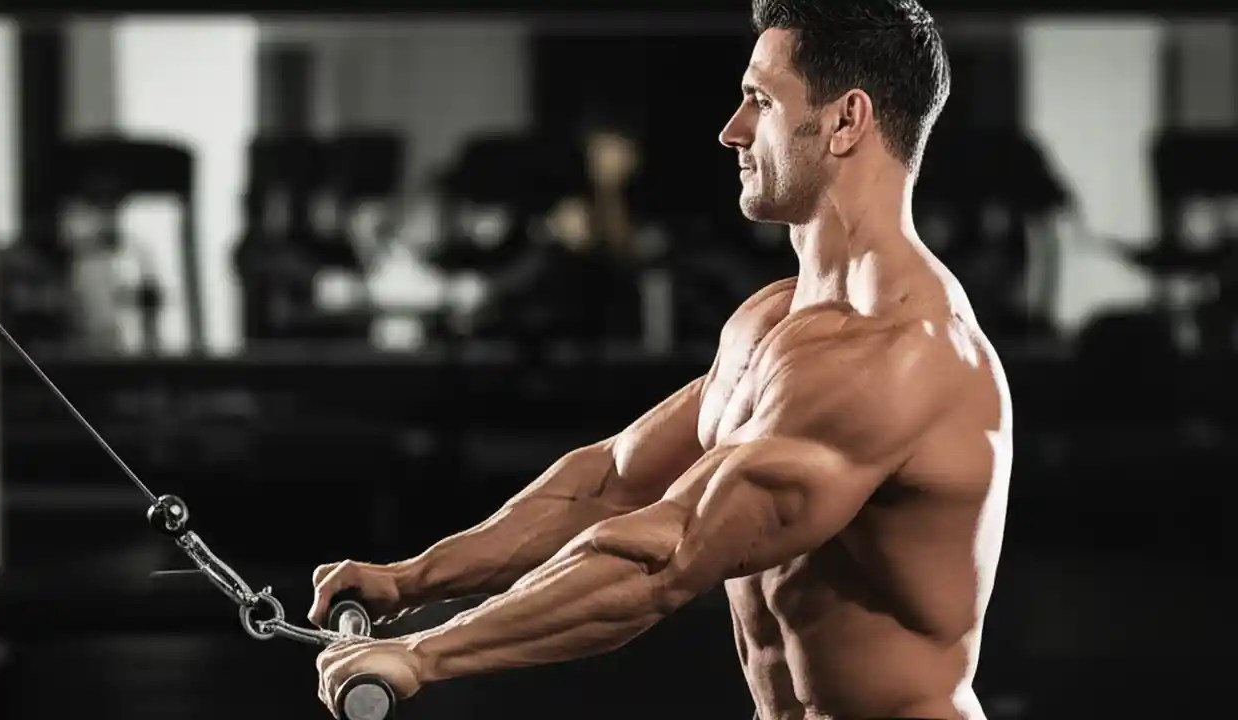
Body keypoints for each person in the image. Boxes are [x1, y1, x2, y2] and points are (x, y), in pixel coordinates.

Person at [310, 2, 1011, 718]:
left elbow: (670, 555)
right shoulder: (773, 320)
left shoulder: (900, 352)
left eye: (761, 102)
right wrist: (411, 580)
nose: (732, 131)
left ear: (845, 121)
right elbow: (611, 483)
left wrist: (426, 654)